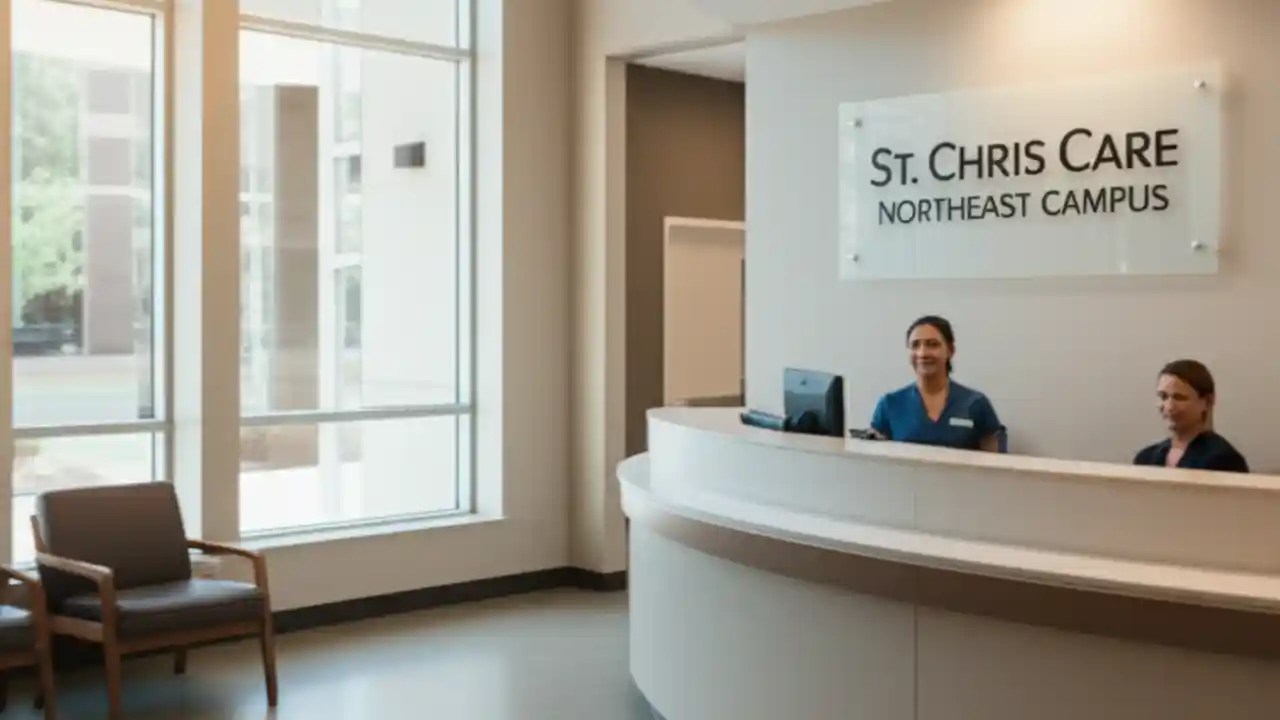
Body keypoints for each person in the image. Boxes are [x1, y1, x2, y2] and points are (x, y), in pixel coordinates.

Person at [868, 315, 1002, 451]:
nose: (923, 353)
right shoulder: (890, 405)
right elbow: (877, 465)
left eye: (933, 344)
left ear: (950, 351)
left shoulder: (976, 403)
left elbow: (995, 465)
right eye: (915, 345)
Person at [1133, 359, 1248, 473]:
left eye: (1179, 398)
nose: (1169, 406)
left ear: (1207, 402)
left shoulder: (1224, 460)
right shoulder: (1145, 458)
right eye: (1163, 397)